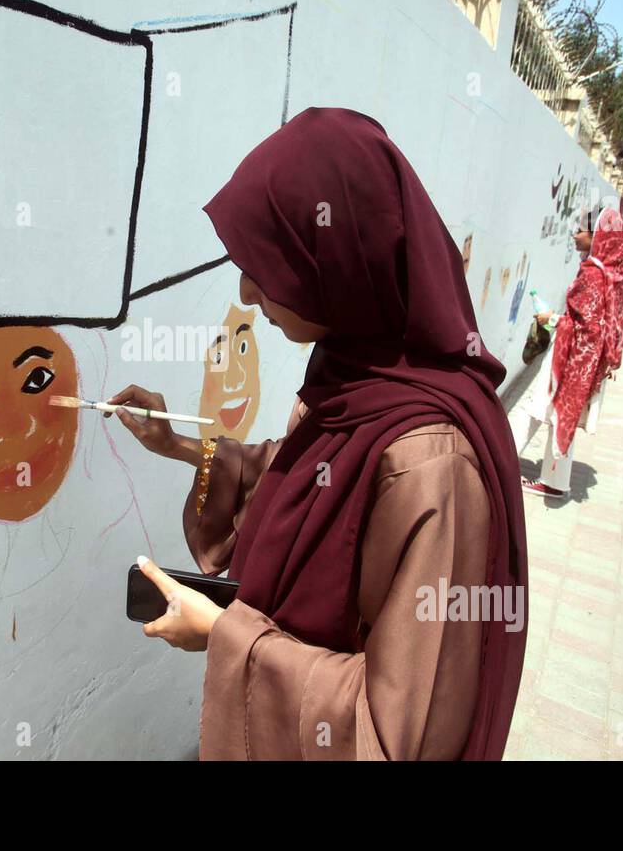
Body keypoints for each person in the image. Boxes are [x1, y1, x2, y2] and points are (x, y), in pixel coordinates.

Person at [107, 107, 528, 761]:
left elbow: (401, 734)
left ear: (337, 260)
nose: (248, 294)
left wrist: (225, 635)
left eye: (269, 268)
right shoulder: (353, 377)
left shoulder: (430, 465)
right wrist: (181, 445)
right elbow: (306, 479)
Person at [511, 204, 623, 499]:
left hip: (570, 360)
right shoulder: (616, 273)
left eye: (580, 230)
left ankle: (496, 464)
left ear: (599, 237)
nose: (574, 235)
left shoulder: (593, 274)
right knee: (559, 415)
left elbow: (587, 328)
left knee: (535, 408)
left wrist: (551, 320)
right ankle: (554, 482)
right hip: (587, 363)